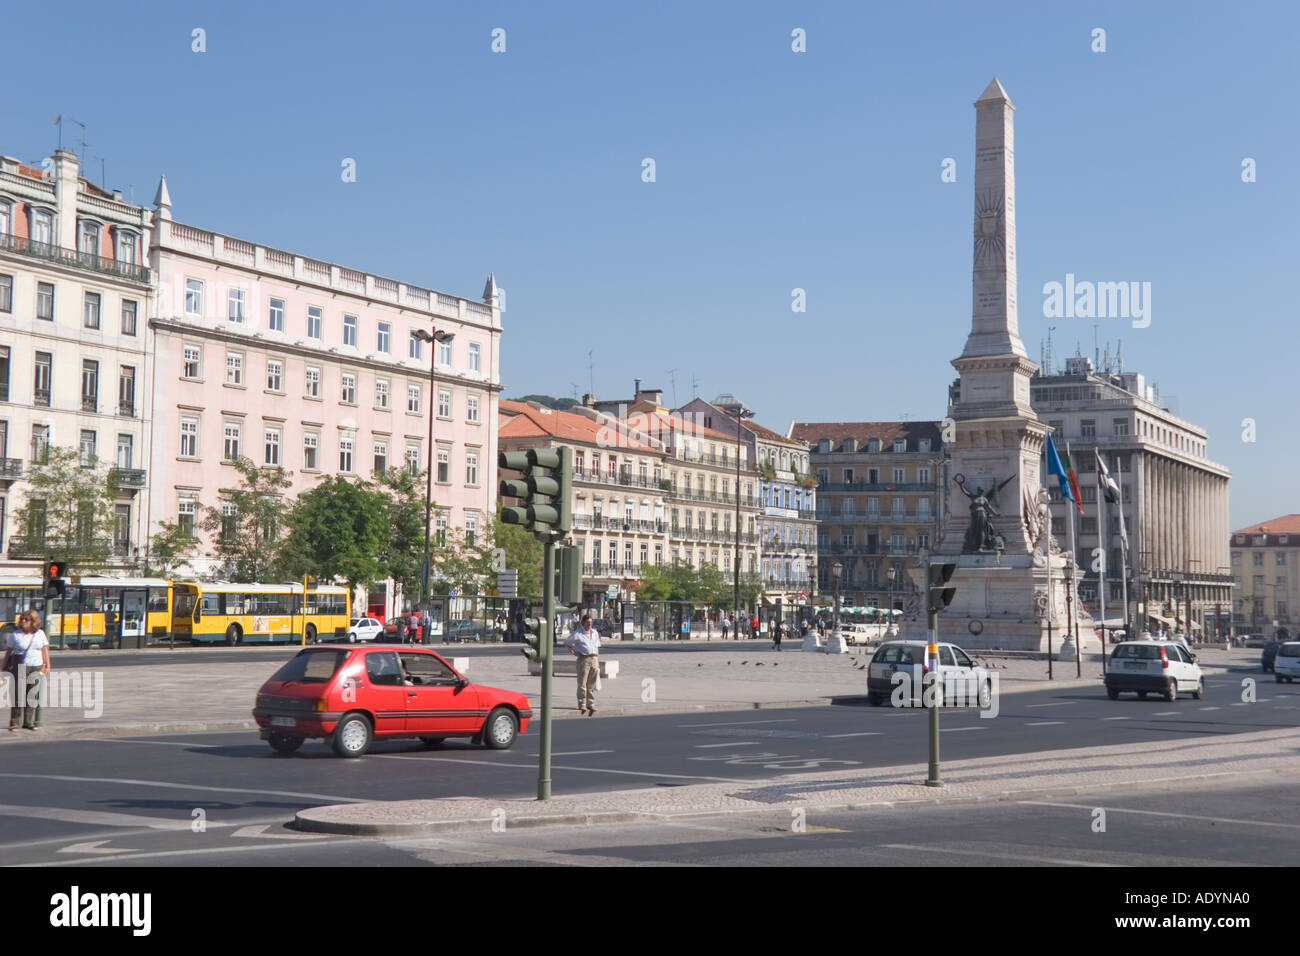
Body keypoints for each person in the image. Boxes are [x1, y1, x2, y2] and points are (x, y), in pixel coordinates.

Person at [5, 610, 51, 732]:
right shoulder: (15, 635)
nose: (23, 621)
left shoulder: (40, 634)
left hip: (35, 666)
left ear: (33, 621)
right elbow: (8, 652)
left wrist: (47, 665)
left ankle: (28, 722)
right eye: (22, 619)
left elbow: (44, 650)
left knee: (32, 696)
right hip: (19, 667)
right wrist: (3, 667)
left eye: (26, 619)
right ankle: (15, 722)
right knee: (17, 696)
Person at [564, 614, 602, 716]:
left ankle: (591, 703)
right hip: (584, 659)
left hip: (594, 658)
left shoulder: (594, 633)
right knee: (582, 683)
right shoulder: (578, 633)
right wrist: (574, 652)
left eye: (591, 622)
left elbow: (597, 646)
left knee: (591, 684)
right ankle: (582, 703)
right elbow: (567, 642)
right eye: (587, 623)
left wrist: (597, 659)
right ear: (583, 623)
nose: (589, 624)